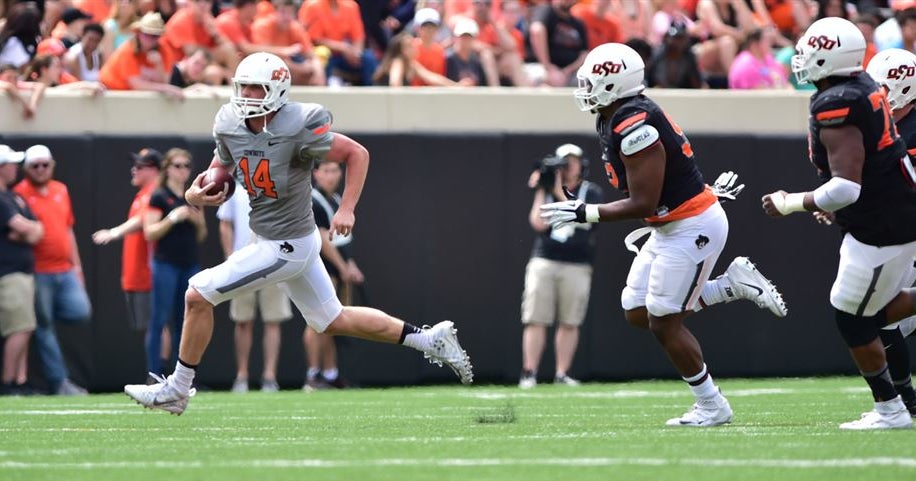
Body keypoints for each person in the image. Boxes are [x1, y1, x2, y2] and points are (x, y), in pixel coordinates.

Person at [124, 52, 473, 415]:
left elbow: (357, 153)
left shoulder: (299, 124)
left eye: (256, 89)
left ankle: (178, 388)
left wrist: (347, 207)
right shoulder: (229, 122)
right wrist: (194, 195)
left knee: (197, 294)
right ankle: (429, 339)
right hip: (278, 239)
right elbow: (219, 171)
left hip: (286, 244)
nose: (246, 96)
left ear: (276, 90)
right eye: (242, 87)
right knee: (333, 319)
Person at [541, 42, 786, 426]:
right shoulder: (616, 115)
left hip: (690, 226)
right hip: (673, 223)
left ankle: (711, 404)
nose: (585, 86)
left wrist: (585, 212)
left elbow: (642, 201)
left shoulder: (633, 124)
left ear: (613, 83)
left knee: (663, 321)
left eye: (593, 79)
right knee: (636, 309)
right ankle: (730, 286)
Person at [761, 18, 916, 430]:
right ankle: (896, 406)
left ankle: (891, 409)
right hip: (889, 214)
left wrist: (790, 202)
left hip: (881, 225)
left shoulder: (839, 99)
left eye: (811, 52)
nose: (803, 60)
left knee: (852, 317)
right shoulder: (861, 85)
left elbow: (846, 186)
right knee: (871, 312)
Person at [519, 143, 602, 389]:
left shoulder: (591, 192)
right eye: (563, 162)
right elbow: (538, 224)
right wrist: (542, 190)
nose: (568, 167)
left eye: (572, 161)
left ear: (581, 165)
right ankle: (529, 372)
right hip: (545, 259)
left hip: (577, 263)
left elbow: (584, 218)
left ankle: (562, 373)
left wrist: (557, 192)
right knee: (536, 317)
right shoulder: (546, 191)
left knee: (570, 320)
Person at [13, 145, 91, 396]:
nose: (40, 170)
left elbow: (68, 230)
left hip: (65, 270)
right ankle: (60, 382)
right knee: (44, 327)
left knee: (80, 311)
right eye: (35, 166)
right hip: (38, 271)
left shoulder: (61, 190)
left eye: (45, 165)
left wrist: (77, 266)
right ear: (26, 169)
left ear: (52, 165)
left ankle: (43, 318)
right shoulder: (19, 193)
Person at [217, 182, 292, 393]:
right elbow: (225, 223)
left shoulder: (278, 186)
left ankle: (270, 376)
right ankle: (242, 376)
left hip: (274, 262)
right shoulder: (235, 189)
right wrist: (231, 257)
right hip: (242, 264)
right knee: (242, 320)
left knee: (273, 320)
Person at [92, 148, 167, 355]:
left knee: (159, 327)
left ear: (153, 169)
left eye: (140, 166)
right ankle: (160, 375)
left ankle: (162, 376)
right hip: (138, 274)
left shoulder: (156, 193)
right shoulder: (143, 194)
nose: (134, 170)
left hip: (150, 273)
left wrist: (115, 232)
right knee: (151, 328)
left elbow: (143, 220)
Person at [142, 148, 207, 379]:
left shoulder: (194, 197)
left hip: (189, 264)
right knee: (159, 319)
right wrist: (173, 218)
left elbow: (201, 235)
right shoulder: (159, 196)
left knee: (186, 320)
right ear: (167, 168)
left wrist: (197, 222)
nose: (182, 171)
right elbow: (149, 232)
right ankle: (154, 373)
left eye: (186, 166)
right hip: (165, 264)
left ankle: (181, 377)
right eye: (177, 166)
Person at [303, 160, 364, 391]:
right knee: (315, 322)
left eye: (335, 170)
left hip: (336, 271)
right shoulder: (312, 200)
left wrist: (350, 265)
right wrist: (342, 266)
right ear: (316, 173)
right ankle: (312, 375)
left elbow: (340, 240)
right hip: (318, 268)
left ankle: (330, 374)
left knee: (330, 321)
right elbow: (321, 237)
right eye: (326, 170)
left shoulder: (337, 201)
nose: (331, 175)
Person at [0, 145, 42, 395]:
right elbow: (24, 228)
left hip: (22, 271)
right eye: (10, 164)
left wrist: (27, 231)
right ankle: (8, 382)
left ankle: (20, 380)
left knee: (25, 326)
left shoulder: (13, 197)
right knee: (19, 327)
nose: (15, 168)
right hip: (9, 272)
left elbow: (37, 230)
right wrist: (26, 231)